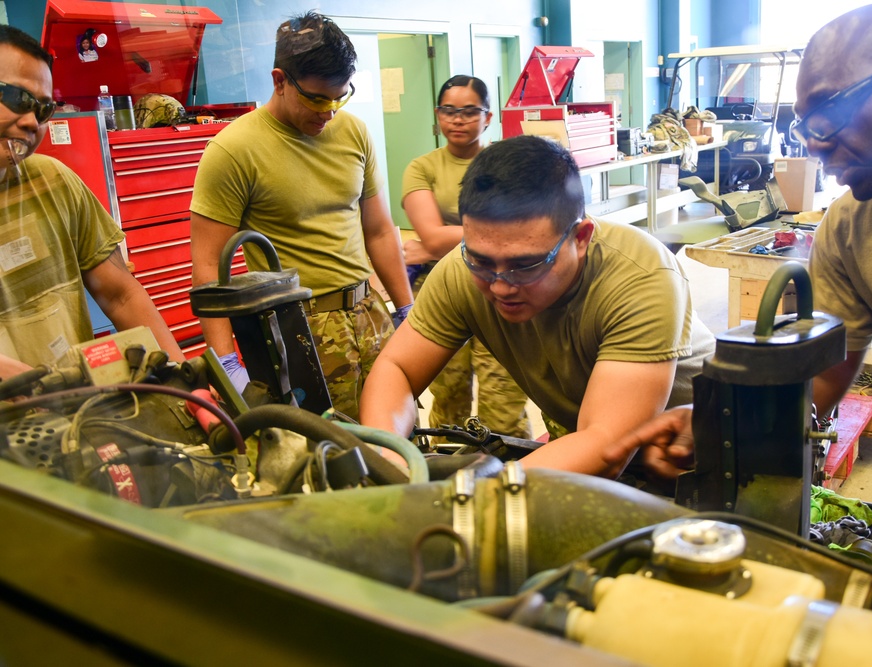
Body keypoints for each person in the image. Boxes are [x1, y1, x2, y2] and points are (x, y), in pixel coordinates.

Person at [626, 2, 872, 482]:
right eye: (805, 128)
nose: (814, 145)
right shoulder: (850, 229)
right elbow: (824, 368)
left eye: (826, 116)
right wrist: (728, 419)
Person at [359, 134, 715, 478]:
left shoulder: (641, 277)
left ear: (580, 238)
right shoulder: (461, 270)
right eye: (481, 261)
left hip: (690, 463)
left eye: (525, 265)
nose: (500, 285)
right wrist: (388, 456)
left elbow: (605, 444)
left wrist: (467, 495)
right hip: (576, 449)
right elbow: (398, 369)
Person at [190, 11, 413, 420]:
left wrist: (405, 310)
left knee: (398, 439)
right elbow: (208, 267)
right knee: (331, 453)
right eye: (316, 98)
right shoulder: (233, 150)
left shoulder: (355, 133)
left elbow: (379, 231)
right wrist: (226, 362)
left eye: (339, 96)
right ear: (279, 81)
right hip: (299, 330)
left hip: (369, 313)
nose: (329, 112)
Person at [0, 25, 184, 379]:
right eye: (19, 100)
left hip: (76, 415)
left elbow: (121, 296)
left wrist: (186, 385)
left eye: (43, 110)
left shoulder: (52, 182)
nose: (30, 122)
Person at [401, 75, 531, 439]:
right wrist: (437, 241)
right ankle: (448, 484)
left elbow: (524, 231)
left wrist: (438, 243)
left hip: (504, 287)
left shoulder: (508, 164)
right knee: (448, 398)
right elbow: (430, 235)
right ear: (438, 115)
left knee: (503, 401)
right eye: (449, 110)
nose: (458, 119)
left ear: (488, 117)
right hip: (443, 288)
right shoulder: (422, 168)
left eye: (470, 111)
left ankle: (515, 479)